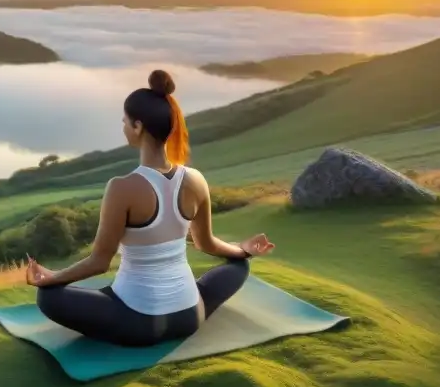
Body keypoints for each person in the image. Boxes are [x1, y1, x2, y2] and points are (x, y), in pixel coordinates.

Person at [25, 69, 274, 347]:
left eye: (125, 121)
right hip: (191, 315)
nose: (123, 126)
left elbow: (99, 262)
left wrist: (52, 278)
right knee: (238, 267)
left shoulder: (122, 187)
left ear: (138, 127)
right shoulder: (196, 180)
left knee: (48, 297)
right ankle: (236, 263)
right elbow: (206, 243)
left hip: (139, 322)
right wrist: (243, 252)